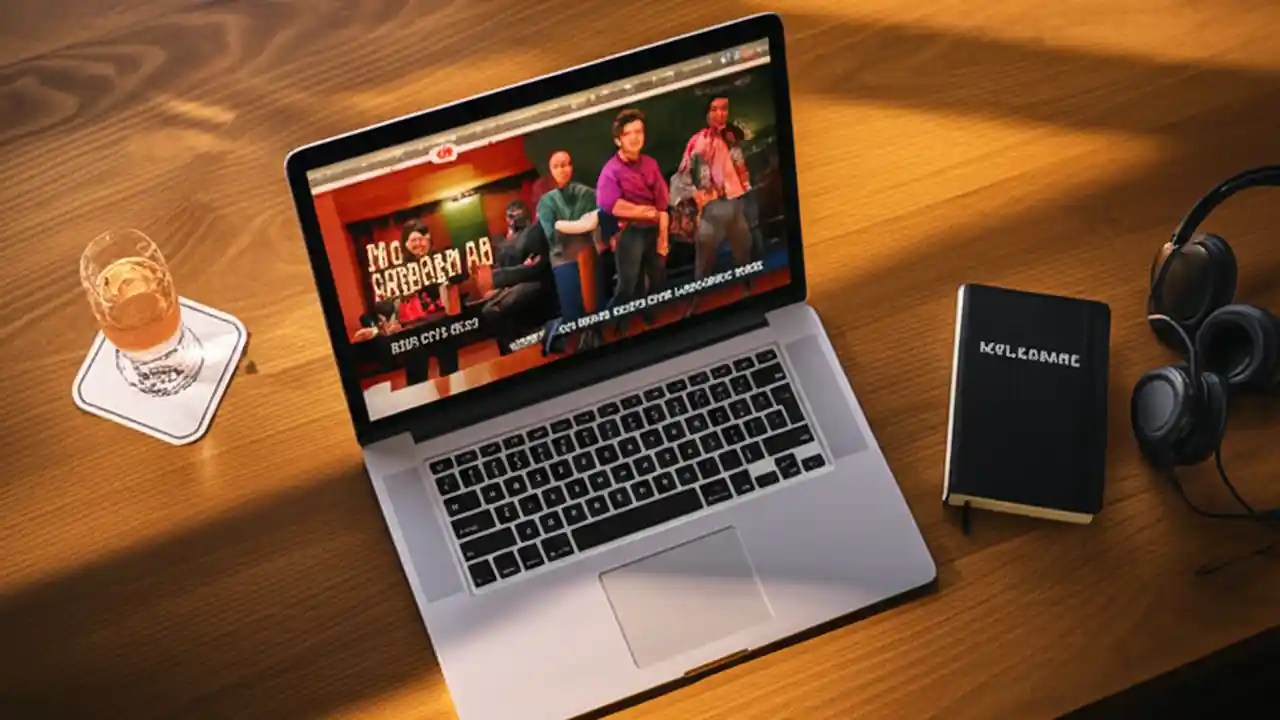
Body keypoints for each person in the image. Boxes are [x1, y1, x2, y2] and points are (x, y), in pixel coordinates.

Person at [595, 109, 669, 322]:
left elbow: (662, 204)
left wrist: (663, 237)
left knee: (658, 279)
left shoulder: (650, 164)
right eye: (629, 133)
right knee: (627, 287)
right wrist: (643, 211)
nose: (636, 137)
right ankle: (602, 327)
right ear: (618, 140)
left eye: (639, 131)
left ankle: (653, 322)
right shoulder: (611, 171)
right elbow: (610, 204)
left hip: (654, 228)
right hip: (630, 232)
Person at [676, 95, 751, 280]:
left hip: (736, 201)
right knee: (704, 263)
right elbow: (684, 174)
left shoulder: (731, 135)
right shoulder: (699, 141)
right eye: (715, 109)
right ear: (707, 114)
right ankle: (698, 296)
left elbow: (740, 162)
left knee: (745, 255)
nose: (720, 114)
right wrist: (701, 194)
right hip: (712, 207)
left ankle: (750, 289)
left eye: (724, 109)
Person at [481, 201, 556, 354]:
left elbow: (534, 267)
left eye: (517, 215)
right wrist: (496, 284)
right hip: (514, 283)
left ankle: (522, 345)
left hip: (536, 282)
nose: (514, 220)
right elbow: (504, 266)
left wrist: (499, 277)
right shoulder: (503, 243)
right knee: (487, 309)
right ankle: (512, 350)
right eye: (511, 216)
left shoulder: (533, 232)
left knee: (496, 309)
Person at [723, 121, 764, 262]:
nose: (730, 137)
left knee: (753, 225)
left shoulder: (743, 149)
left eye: (731, 134)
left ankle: (758, 257)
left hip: (746, 190)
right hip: (735, 194)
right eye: (726, 135)